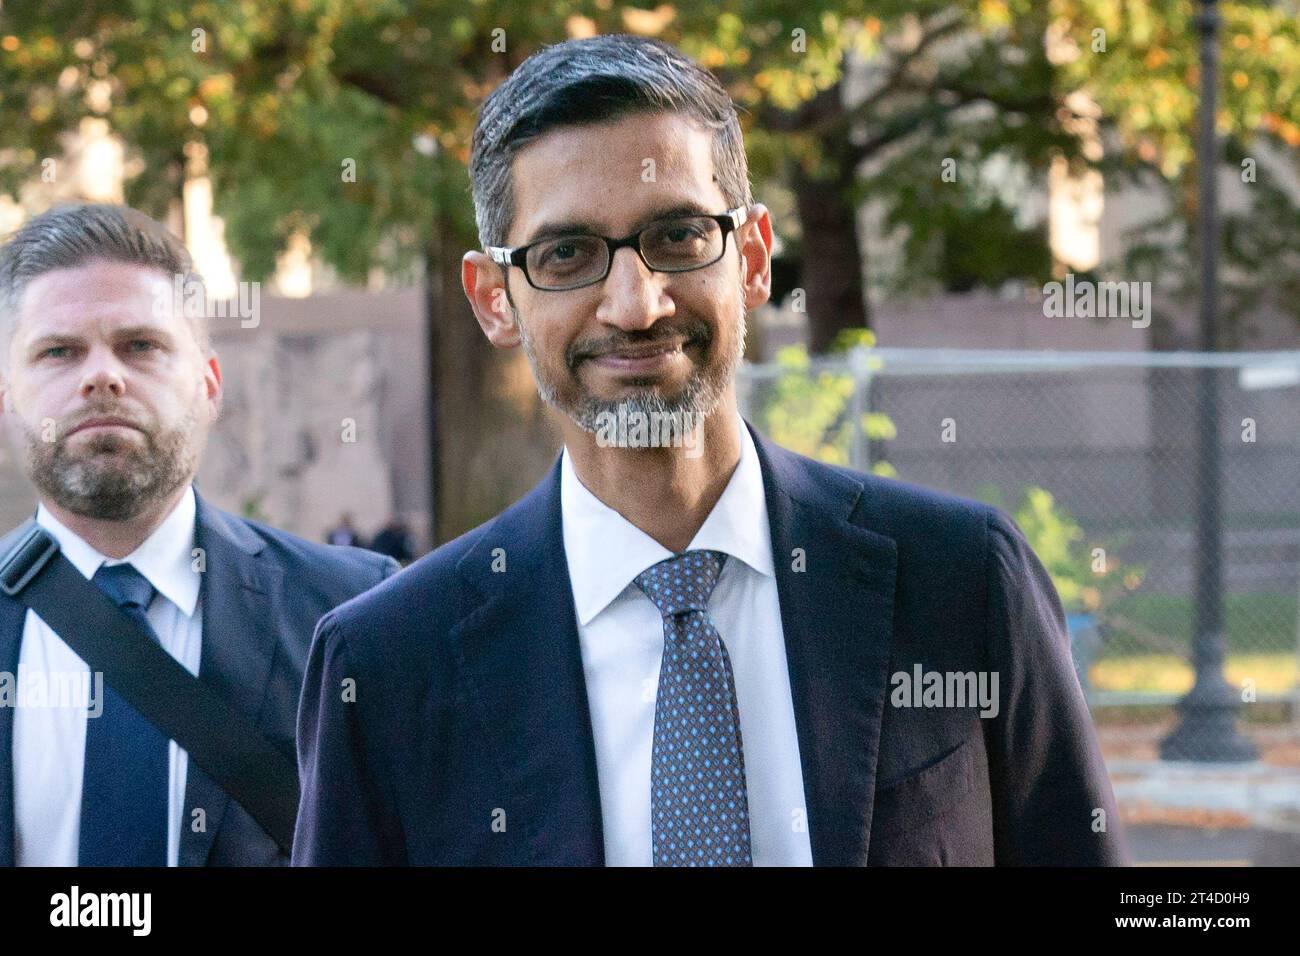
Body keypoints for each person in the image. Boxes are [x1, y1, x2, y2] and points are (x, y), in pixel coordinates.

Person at [294, 34, 1127, 866]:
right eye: (566, 254)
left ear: (753, 259)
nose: (635, 305)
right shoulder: (388, 666)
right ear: (494, 300)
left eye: (678, 236)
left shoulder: (962, 581)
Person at [0, 204, 399, 866]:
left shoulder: (357, 612)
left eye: (141, 346)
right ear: (7, 400)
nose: (102, 376)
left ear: (210, 387)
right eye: (58, 351)